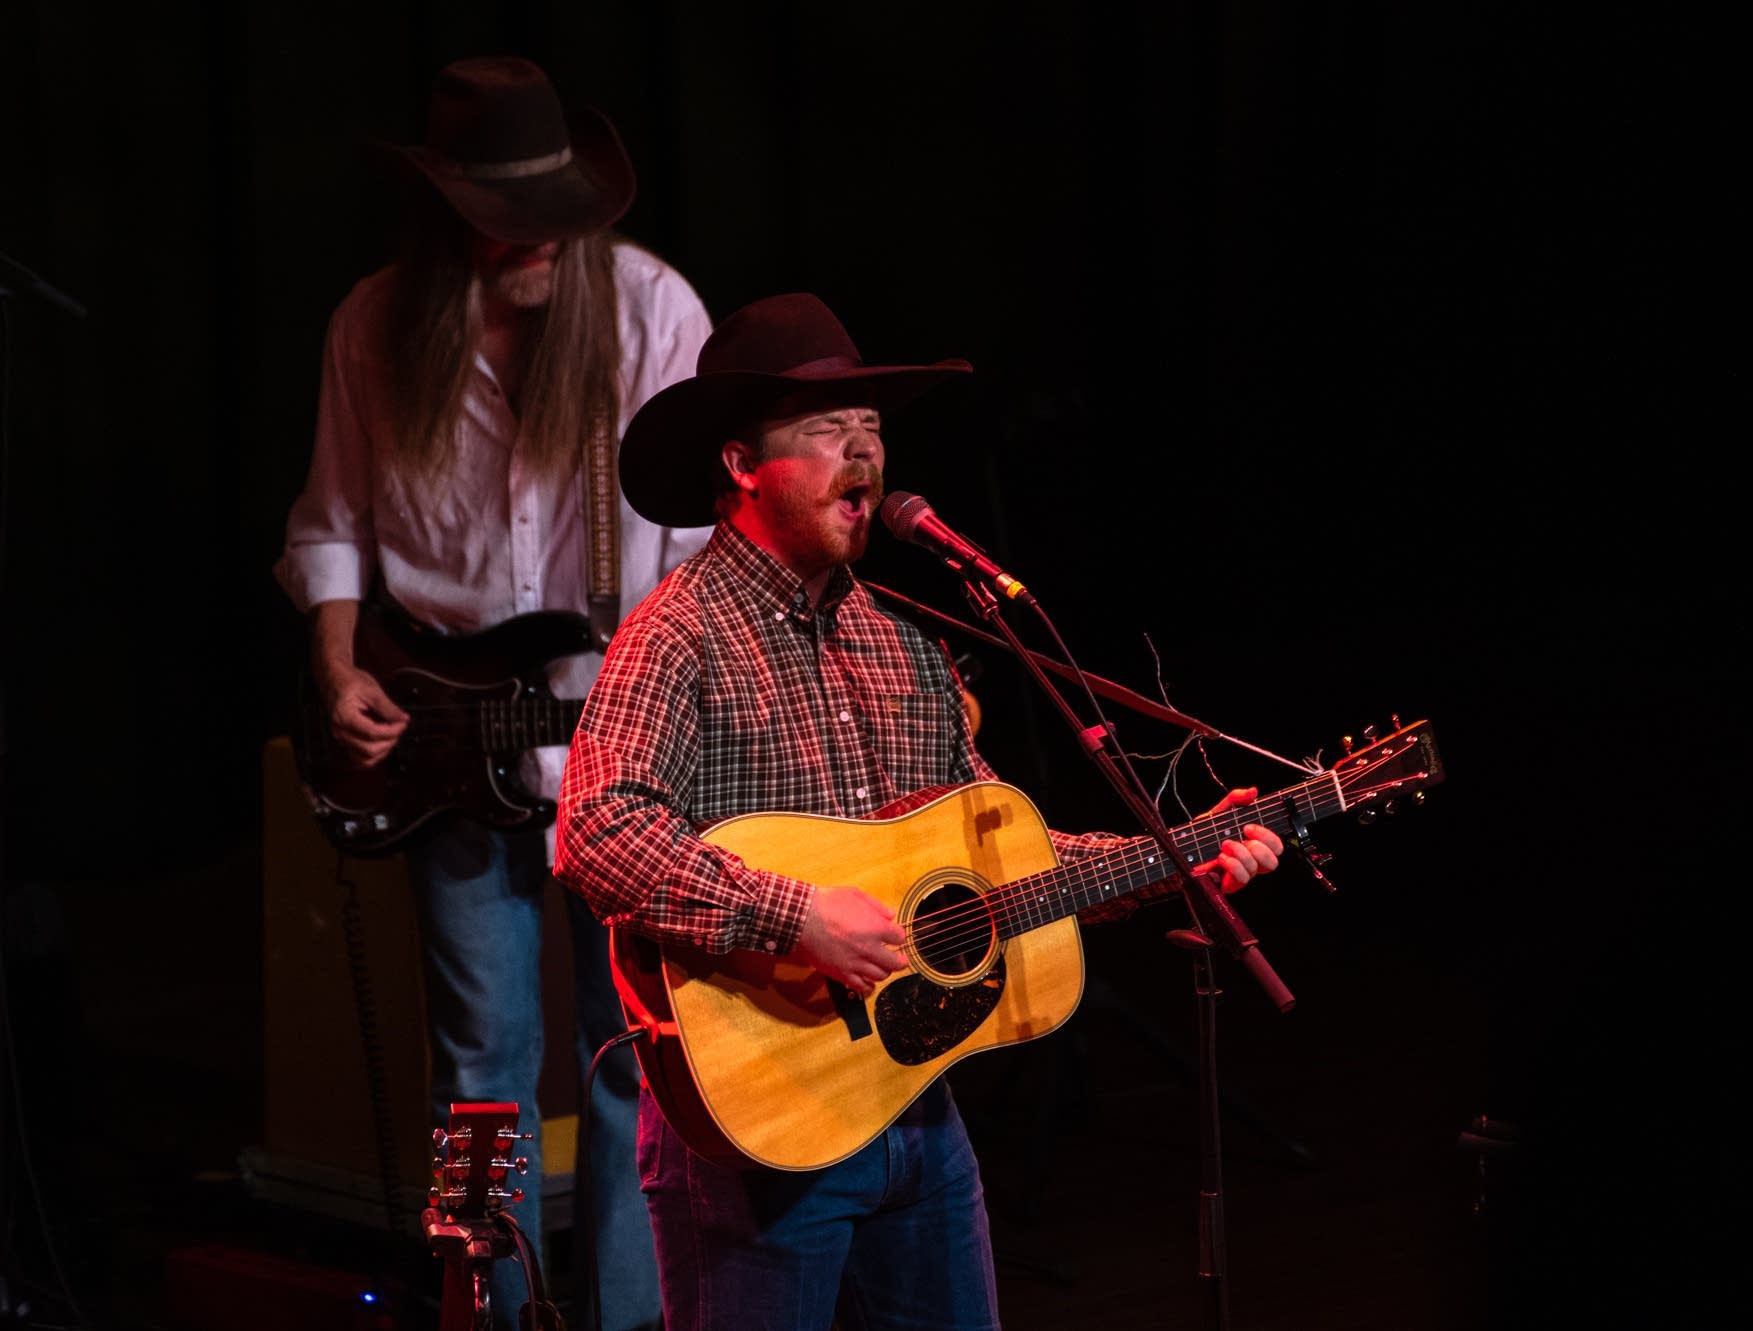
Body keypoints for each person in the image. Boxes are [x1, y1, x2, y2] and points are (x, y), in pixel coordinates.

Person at [552, 292, 1286, 1330]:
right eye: (826, 432)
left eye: (873, 430)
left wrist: (1176, 856)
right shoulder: (677, 637)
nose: (863, 455)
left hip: (915, 1108)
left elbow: (994, 846)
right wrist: (794, 914)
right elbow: (597, 830)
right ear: (740, 464)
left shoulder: (903, 643)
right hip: (755, 1120)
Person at [274, 56, 712, 1331]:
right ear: (445, 204)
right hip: (443, 738)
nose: (526, 240)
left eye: (547, 211)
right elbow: (334, 520)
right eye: (497, 210)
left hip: (620, 736)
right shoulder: (374, 321)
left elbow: (701, 544)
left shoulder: (649, 313)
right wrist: (340, 660)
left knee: (635, 1054)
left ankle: (631, 1318)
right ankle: (501, 1314)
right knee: (480, 1066)